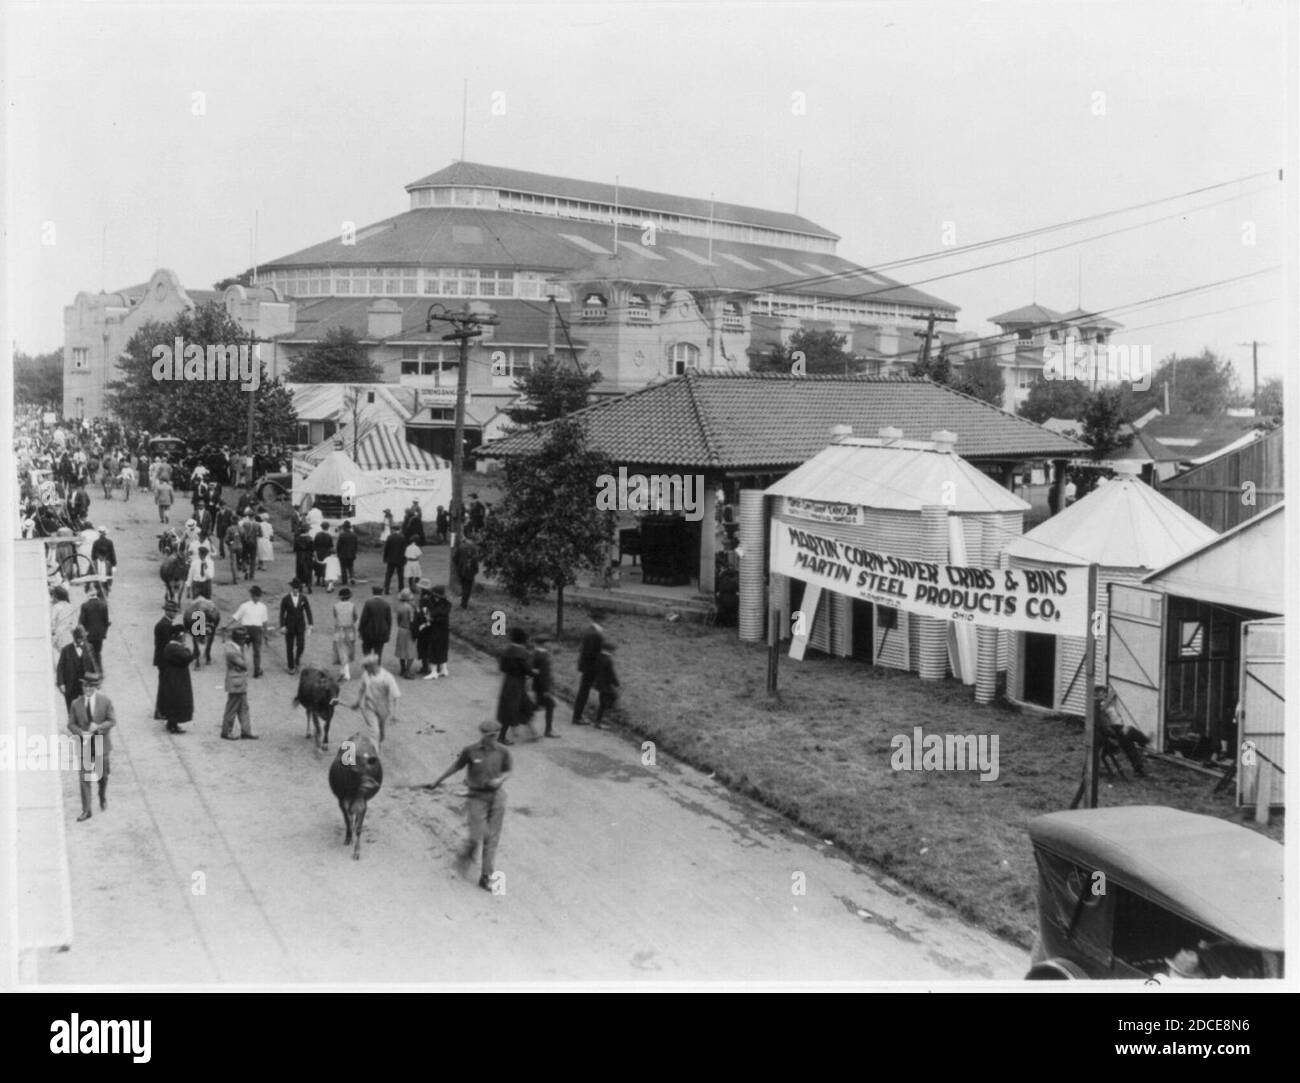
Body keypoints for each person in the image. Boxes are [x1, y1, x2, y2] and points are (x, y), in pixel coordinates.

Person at [429, 719, 512, 892]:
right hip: (477, 797)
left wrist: (501, 779)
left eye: (495, 735)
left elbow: (508, 770)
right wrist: (438, 780)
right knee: (476, 836)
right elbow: (456, 766)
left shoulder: (503, 751)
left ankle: (486, 877)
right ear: (482, 734)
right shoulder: (471, 751)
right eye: (489, 736)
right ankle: (461, 863)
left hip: (497, 797)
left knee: (492, 839)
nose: (492, 739)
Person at [67, 671, 114, 821]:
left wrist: (99, 726)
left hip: (101, 744)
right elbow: (71, 724)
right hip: (85, 745)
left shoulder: (105, 701)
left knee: (102, 776)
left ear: (96, 687)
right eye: (85, 686)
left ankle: (101, 795)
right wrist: (81, 733)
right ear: (82, 686)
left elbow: (112, 721)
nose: (87, 689)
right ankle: (87, 810)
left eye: (90, 687)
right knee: (84, 778)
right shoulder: (76, 703)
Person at [348, 654, 400, 746]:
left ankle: (378, 743)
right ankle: (374, 754)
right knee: (375, 732)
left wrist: (395, 714)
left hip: (383, 709)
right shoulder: (366, 675)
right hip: (369, 708)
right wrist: (357, 702)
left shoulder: (387, 677)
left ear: (373, 666)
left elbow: (395, 696)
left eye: (366, 667)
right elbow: (361, 689)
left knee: (381, 734)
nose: (365, 670)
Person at [496, 628, 534, 745]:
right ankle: (502, 736)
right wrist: (534, 672)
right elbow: (527, 669)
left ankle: (529, 730)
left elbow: (501, 668)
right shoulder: (523, 653)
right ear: (523, 640)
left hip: (508, 681)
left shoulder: (506, 651)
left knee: (520, 705)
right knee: (517, 707)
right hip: (518, 683)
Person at [220, 626, 257, 740]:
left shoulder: (235, 647)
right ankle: (226, 732)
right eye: (244, 638)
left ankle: (246, 731)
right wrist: (246, 650)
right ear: (239, 639)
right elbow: (245, 664)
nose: (245, 640)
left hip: (240, 681)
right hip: (235, 681)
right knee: (232, 708)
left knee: (244, 708)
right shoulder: (231, 651)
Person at [158, 625, 195, 734]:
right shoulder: (174, 648)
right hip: (176, 678)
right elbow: (187, 657)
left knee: (173, 699)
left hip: (174, 676)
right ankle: (173, 724)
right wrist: (188, 650)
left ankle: (172, 723)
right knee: (176, 699)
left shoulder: (172, 647)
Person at [570, 610, 605, 726]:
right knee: (584, 691)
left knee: (584, 690)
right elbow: (592, 653)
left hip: (586, 666)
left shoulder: (590, 630)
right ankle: (578, 717)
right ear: (600, 620)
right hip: (591, 667)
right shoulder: (595, 634)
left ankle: (579, 715)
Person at [56, 626, 97, 716]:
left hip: (86, 686)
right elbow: (60, 667)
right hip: (70, 686)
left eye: (81, 638)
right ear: (74, 637)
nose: (79, 640)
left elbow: (94, 666)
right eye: (77, 638)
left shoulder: (89, 648)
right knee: (72, 710)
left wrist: (95, 682)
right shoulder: (66, 650)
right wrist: (61, 684)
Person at [231, 585, 269, 678]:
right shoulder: (246, 606)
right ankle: (247, 669)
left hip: (254, 630)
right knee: (245, 650)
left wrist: (265, 633)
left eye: (258, 596)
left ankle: (255, 670)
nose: (256, 597)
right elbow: (236, 617)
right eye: (255, 595)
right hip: (249, 630)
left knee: (254, 651)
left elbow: (265, 622)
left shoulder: (260, 607)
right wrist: (227, 625)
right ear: (252, 596)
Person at [279, 578, 313, 674]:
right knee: (289, 647)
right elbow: (282, 613)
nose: (295, 590)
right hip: (289, 625)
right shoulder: (285, 599)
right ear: (291, 588)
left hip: (300, 625)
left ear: (299, 589)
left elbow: (308, 611)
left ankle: (297, 659)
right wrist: (282, 626)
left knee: (301, 645)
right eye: (294, 588)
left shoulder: (303, 598)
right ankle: (291, 666)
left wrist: (310, 624)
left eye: (297, 588)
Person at [153, 599, 180, 719]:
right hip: (164, 661)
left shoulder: (165, 623)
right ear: (167, 611)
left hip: (161, 660)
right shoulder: (164, 625)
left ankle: (161, 710)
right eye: (173, 611)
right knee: (164, 686)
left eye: (175, 611)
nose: (175, 614)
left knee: (164, 685)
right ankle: (160, 710)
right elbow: (167, 644)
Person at [420, 583, 452, 679]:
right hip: (444, 630)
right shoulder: (447, 603)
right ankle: (444, 669)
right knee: (443, 648)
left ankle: (434, 671)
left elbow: (433, 614)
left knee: (433, 649)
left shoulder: (437, 605)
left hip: (436, 630)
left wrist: (429, 616)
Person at [78, 585, 111, 673]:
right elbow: (106, 621)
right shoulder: (104, 605)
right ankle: (100, 672)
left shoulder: (85, 606)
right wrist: (104, 633)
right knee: (97, 653)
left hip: (89, 634)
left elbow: (81, 622)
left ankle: (91, 672)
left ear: (88, 594)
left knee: (89, 654)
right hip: (99, 635)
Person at [531, 634, 559, 738]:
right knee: (550, 705)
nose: (549, 644)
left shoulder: (536, 653)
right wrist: (546, 689)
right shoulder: (542, 656)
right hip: (542, 687)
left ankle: (523, 722)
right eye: (548, 642)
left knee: (537, 706)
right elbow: (542, 675)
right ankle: (548, 730)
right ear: (544, 643)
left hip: (538, 686)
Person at [183, 593, 221, 668]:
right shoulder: (192, 614)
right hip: (200, 621)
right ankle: (204, 657)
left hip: (203, 621)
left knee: (196, 637)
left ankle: (205, 654)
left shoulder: (212, 613)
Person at [359, 586, 392, 662]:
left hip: (368, 633)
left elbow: (363, 619)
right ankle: (377, 671)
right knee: (378, 653)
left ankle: (368, 671)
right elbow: (389, 621)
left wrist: (361, 631)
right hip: (381, 632)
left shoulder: (368, 603)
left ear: (373, 592)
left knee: (367, 652)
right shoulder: (386, 604)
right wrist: (388, 633)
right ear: (382, 593)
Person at [593, 640, 621, 729]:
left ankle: (601, 718)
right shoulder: (608, 660)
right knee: (611, 698)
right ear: (609, 650)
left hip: (599, 683)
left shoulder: (598, 656)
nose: (613, 652)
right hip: (606, 684)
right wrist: (617, 683)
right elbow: (611, 673)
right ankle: (599, 721)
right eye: (613, 650)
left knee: (604, 701)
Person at [332, 587, 357, 681]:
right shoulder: (352, 605)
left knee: (340, 649)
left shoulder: (336, 606)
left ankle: (346, 671)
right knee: (348, 648)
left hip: (339, 630)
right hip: (350, 629)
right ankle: (344, 670)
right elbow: (355, 616)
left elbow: (335, 615)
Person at [394, 589, 418, 678]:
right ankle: (408, 672)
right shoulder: (410, 608)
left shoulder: (399, 607)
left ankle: (402, 669)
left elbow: (398, 620)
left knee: (402, 650)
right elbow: (412, 620)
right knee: (411, 652)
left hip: (401, 630)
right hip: (409, 630)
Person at [50, 585, 78, 654]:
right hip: (69, 635)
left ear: (56, 596)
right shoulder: (70, 606)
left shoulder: (55, 607)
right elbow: (75, 623)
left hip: (59, 635)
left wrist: (53, 631)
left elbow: (51, 622)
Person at [453, 538, 479, 610]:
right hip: (470, 571)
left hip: (461, 570)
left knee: (464, 586)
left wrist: (458, 566)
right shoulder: (474, 548)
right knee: (468, 588)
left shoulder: (461, 547)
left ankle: (463, 603)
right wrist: (475, 570)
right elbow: (475, 560)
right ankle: (464, 604)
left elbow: (455, 558)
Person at [90, 527, 117, 594]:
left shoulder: (96, 542)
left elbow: (93, 555)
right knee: (107, 577)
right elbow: (112, 553)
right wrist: (114, 563)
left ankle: (98, 591)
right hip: (107, 562)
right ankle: (106, 590)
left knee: (97, 578)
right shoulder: (109, 542)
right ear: (105, 534)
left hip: (98, 561)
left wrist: (95, 560)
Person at [382, 527, 407, 594]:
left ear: (393, 530)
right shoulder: (402, 537)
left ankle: (386, 589)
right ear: (399, 530)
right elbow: (404, 550)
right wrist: (405, 559)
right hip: (400, 559)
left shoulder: (389, 537)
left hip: (391, 559)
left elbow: (386, 549)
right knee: (400, 575)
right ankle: (401, 589)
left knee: (388, 575)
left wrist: (385, 558)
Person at [335, 521, 357, 586]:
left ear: (344, 527)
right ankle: (352, 577)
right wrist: (354, 553)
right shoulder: (354, 535)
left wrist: (338, 553)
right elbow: (356, 545)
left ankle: (344, 581)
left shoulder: (341, 535)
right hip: (351, 553)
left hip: (343, 554)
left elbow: (338, 546)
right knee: (351, 566)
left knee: (343, 568)